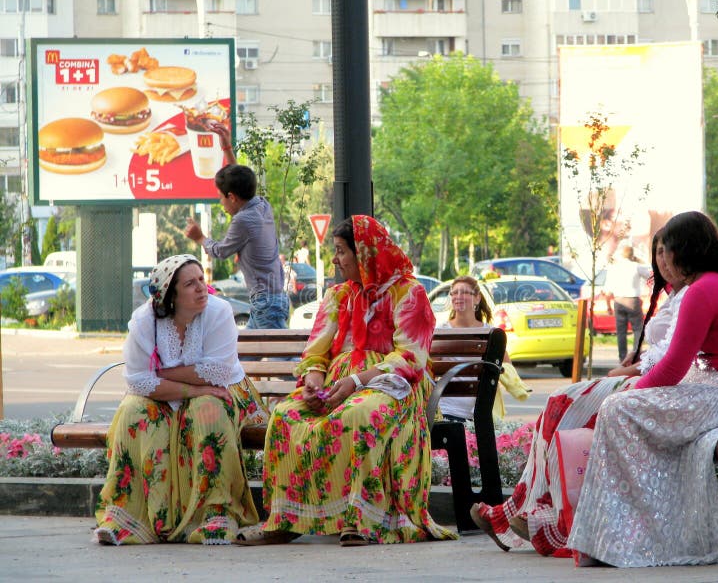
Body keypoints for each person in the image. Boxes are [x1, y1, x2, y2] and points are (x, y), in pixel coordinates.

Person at [568, 211, 718, 567]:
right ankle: (623, 534)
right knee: (624, 410)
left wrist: (629, 392)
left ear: (682, 251)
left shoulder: (705, 289)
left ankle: (629, 536)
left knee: (617, 409)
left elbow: (672, 367)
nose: (664, 259)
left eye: (666, 250)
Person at [238, 215, 456, 546]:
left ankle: (361, 519)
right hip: (337, 383)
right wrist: (313, 380)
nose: (336, 260)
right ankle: (284, 520)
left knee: (358, 414)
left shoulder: (409, 293)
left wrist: (356, 381)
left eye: (341, 251)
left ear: (364, 253)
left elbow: (410, 358)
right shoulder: (339, 295)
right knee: (286, 415)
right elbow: (316, 351)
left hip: (392, 384)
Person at [470, 230, 687, 555]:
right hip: (652, 384)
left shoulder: (694, 295)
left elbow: (677, 362)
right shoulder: (676, 296)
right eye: (656, 254)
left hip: (668, 392)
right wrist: (636, 362)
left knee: (566, 405)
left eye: (667, 252)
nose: (662, 261)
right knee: (558, 403)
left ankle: (544, 519)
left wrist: (627, 371)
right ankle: (526, 511)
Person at [94, 254, 268, 545]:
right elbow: (138, 381)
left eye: (202, 279)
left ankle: (214, 514)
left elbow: (218, 372)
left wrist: (165, 374)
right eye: (190, 284)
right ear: (170, 296)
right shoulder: (143, 321)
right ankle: (130, 519)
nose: (202, 288)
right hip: (168, 396)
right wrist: (192, 388)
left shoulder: (219, 311)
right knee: (132, 412)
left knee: (207, 410)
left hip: (222, 390)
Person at [184, 158, 289, 329]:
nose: (221, 203)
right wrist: (227, 150)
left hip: (265, 301)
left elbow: (220, 251)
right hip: (272, 298)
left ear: (231, 197)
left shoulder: (243, 220)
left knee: (283, 354)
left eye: (220, 197)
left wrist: (199, 237)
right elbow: (240, 182)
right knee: (243, 351)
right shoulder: (263, 205)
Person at [438, 275, 529, 422]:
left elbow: (505, 366)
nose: (458, 297)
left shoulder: (491, 333)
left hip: (481, 411)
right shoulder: (441, 331)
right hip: (450, 410)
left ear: (477, 298)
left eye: (464, 292)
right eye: (454, 293)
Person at [602, 244, 651, 362]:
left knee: (621, 332)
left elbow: (607, 290)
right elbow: (650, 275)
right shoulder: (636, 266)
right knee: (638, 329)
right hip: (633, 300)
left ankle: (622, 358)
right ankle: (635, 355)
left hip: (618, 300)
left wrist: (608, 305)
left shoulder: (614, 267)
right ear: (632, 255)